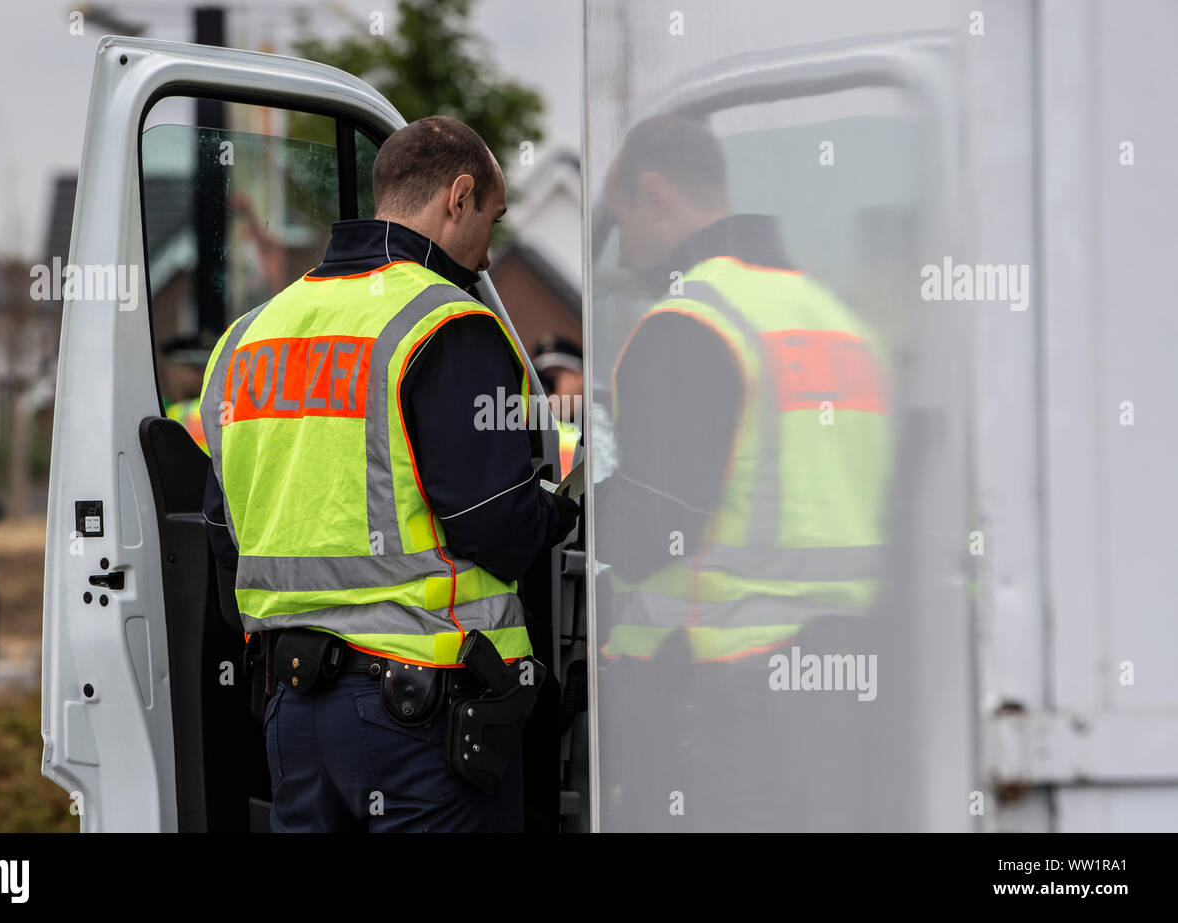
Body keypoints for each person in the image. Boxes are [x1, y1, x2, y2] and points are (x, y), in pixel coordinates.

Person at [199, 116, 578, 832]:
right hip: (424, 725)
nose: (489, 257)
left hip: (292, 718)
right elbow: (497, 527)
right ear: (458, 197)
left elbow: (226, 537)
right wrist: (557, 510)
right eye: (491, 221)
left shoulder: (246, 339)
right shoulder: (445, 322)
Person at [593, 113, 894, 830]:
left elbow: (651, 525)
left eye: (620, 219)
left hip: (715, 714)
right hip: (841, 714)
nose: (623, 250)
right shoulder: (842, 326)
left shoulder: (691, 321)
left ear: (656, 193)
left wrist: (570, 504)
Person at [531, 336, 584, 476]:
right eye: (543, 378)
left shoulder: (601, 428)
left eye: (556, 376)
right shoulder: (529, 432)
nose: (547, 387)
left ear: (582, 378)